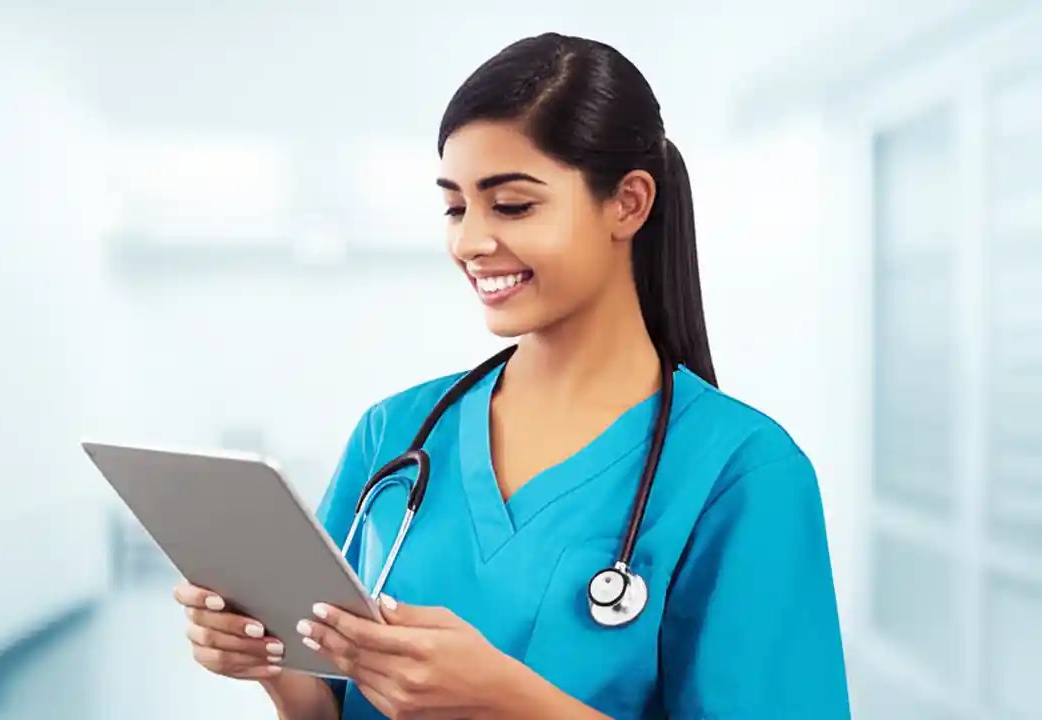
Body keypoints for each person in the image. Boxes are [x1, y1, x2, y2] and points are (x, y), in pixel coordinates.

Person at [173, 31, 850, 719]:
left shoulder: (743, 472)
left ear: (629, 204)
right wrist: (271, 667)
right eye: (455, 206)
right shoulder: (394, 434)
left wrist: (505, 700)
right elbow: (331, 708)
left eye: (512, 205)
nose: (469, 241)